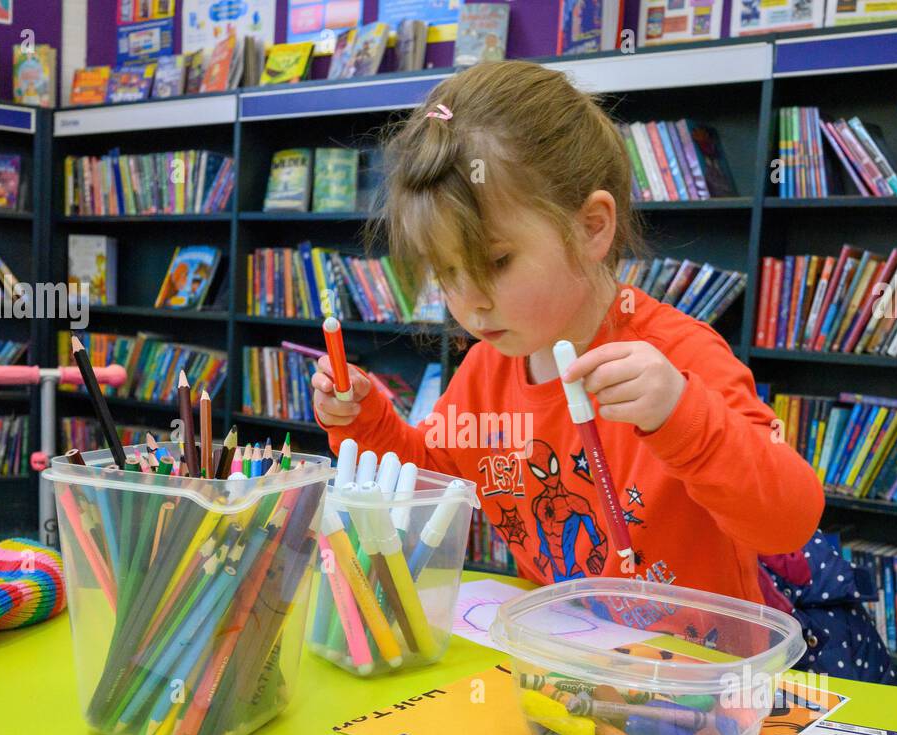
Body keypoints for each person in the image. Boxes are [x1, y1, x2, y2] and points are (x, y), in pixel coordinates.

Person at [312, 60, 823, 607]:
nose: (471, 300)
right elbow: (432, 485)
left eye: (497, 261)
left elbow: (788, 521)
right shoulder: (490, 366)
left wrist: (683, 417)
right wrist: (366, 424)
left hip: (702, 671)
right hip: (569, 664)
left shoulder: (679, 356)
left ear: (591, 227)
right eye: (446, 273)